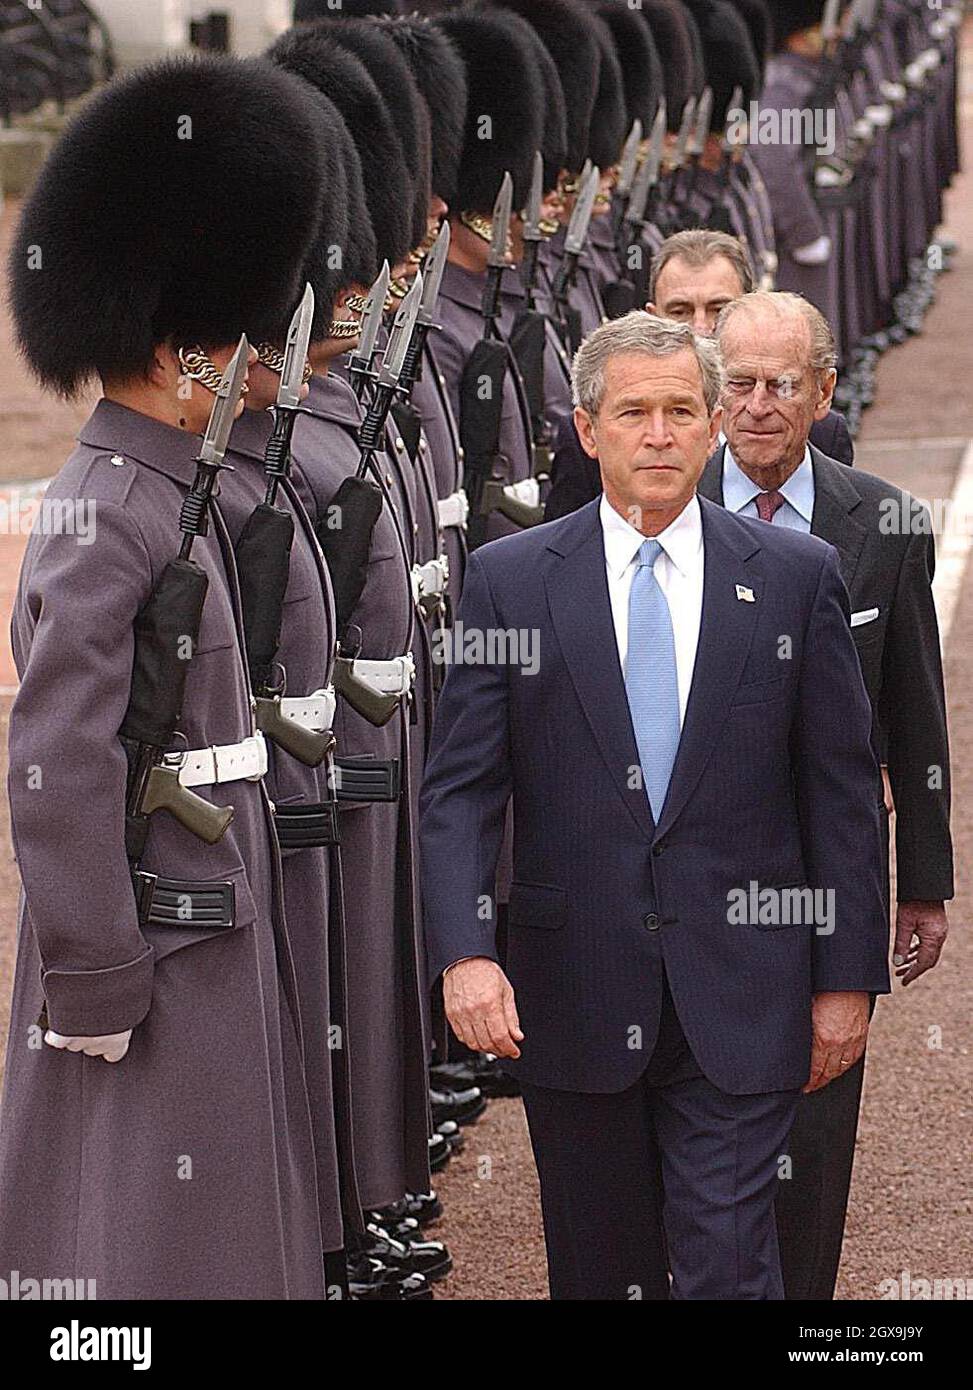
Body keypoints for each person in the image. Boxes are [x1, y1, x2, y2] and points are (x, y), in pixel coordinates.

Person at [420, 311, 890, 1299]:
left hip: (745, 994)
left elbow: (841, 795)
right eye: (633, 411)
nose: (660, 433)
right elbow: (461, 785)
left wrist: (846, 978)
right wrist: (465, 952)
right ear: (588, 431)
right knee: (602, 1273)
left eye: (682, 410)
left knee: (728, 1262)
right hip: (574, 991)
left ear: (715, 423)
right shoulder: (509, 585)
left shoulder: (796, 578)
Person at [0, 54, 333, 1298]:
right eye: (232, 340)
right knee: (144, 1227)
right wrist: (93, 963)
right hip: (153, 917)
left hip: (210, 886)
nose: (251, 364)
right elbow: (59, 759)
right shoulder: (111, 503)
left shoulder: (171, 488)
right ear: (177, 342)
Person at [700, 290, 952, 1299]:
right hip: (683, 887)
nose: (759, 405)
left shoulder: (883, 523)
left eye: (782, 384)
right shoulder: (655, 509)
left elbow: (916, 708)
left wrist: (923, 883)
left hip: (819, 896)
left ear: (822, 390)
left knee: (805, 1160)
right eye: (740, 383)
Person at [545, 228, 853, 522]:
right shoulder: (595, 433)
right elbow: (565, 548)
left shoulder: (817, 430)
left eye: (719, 309)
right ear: (653, 316)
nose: (701, 327)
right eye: (680, 311)